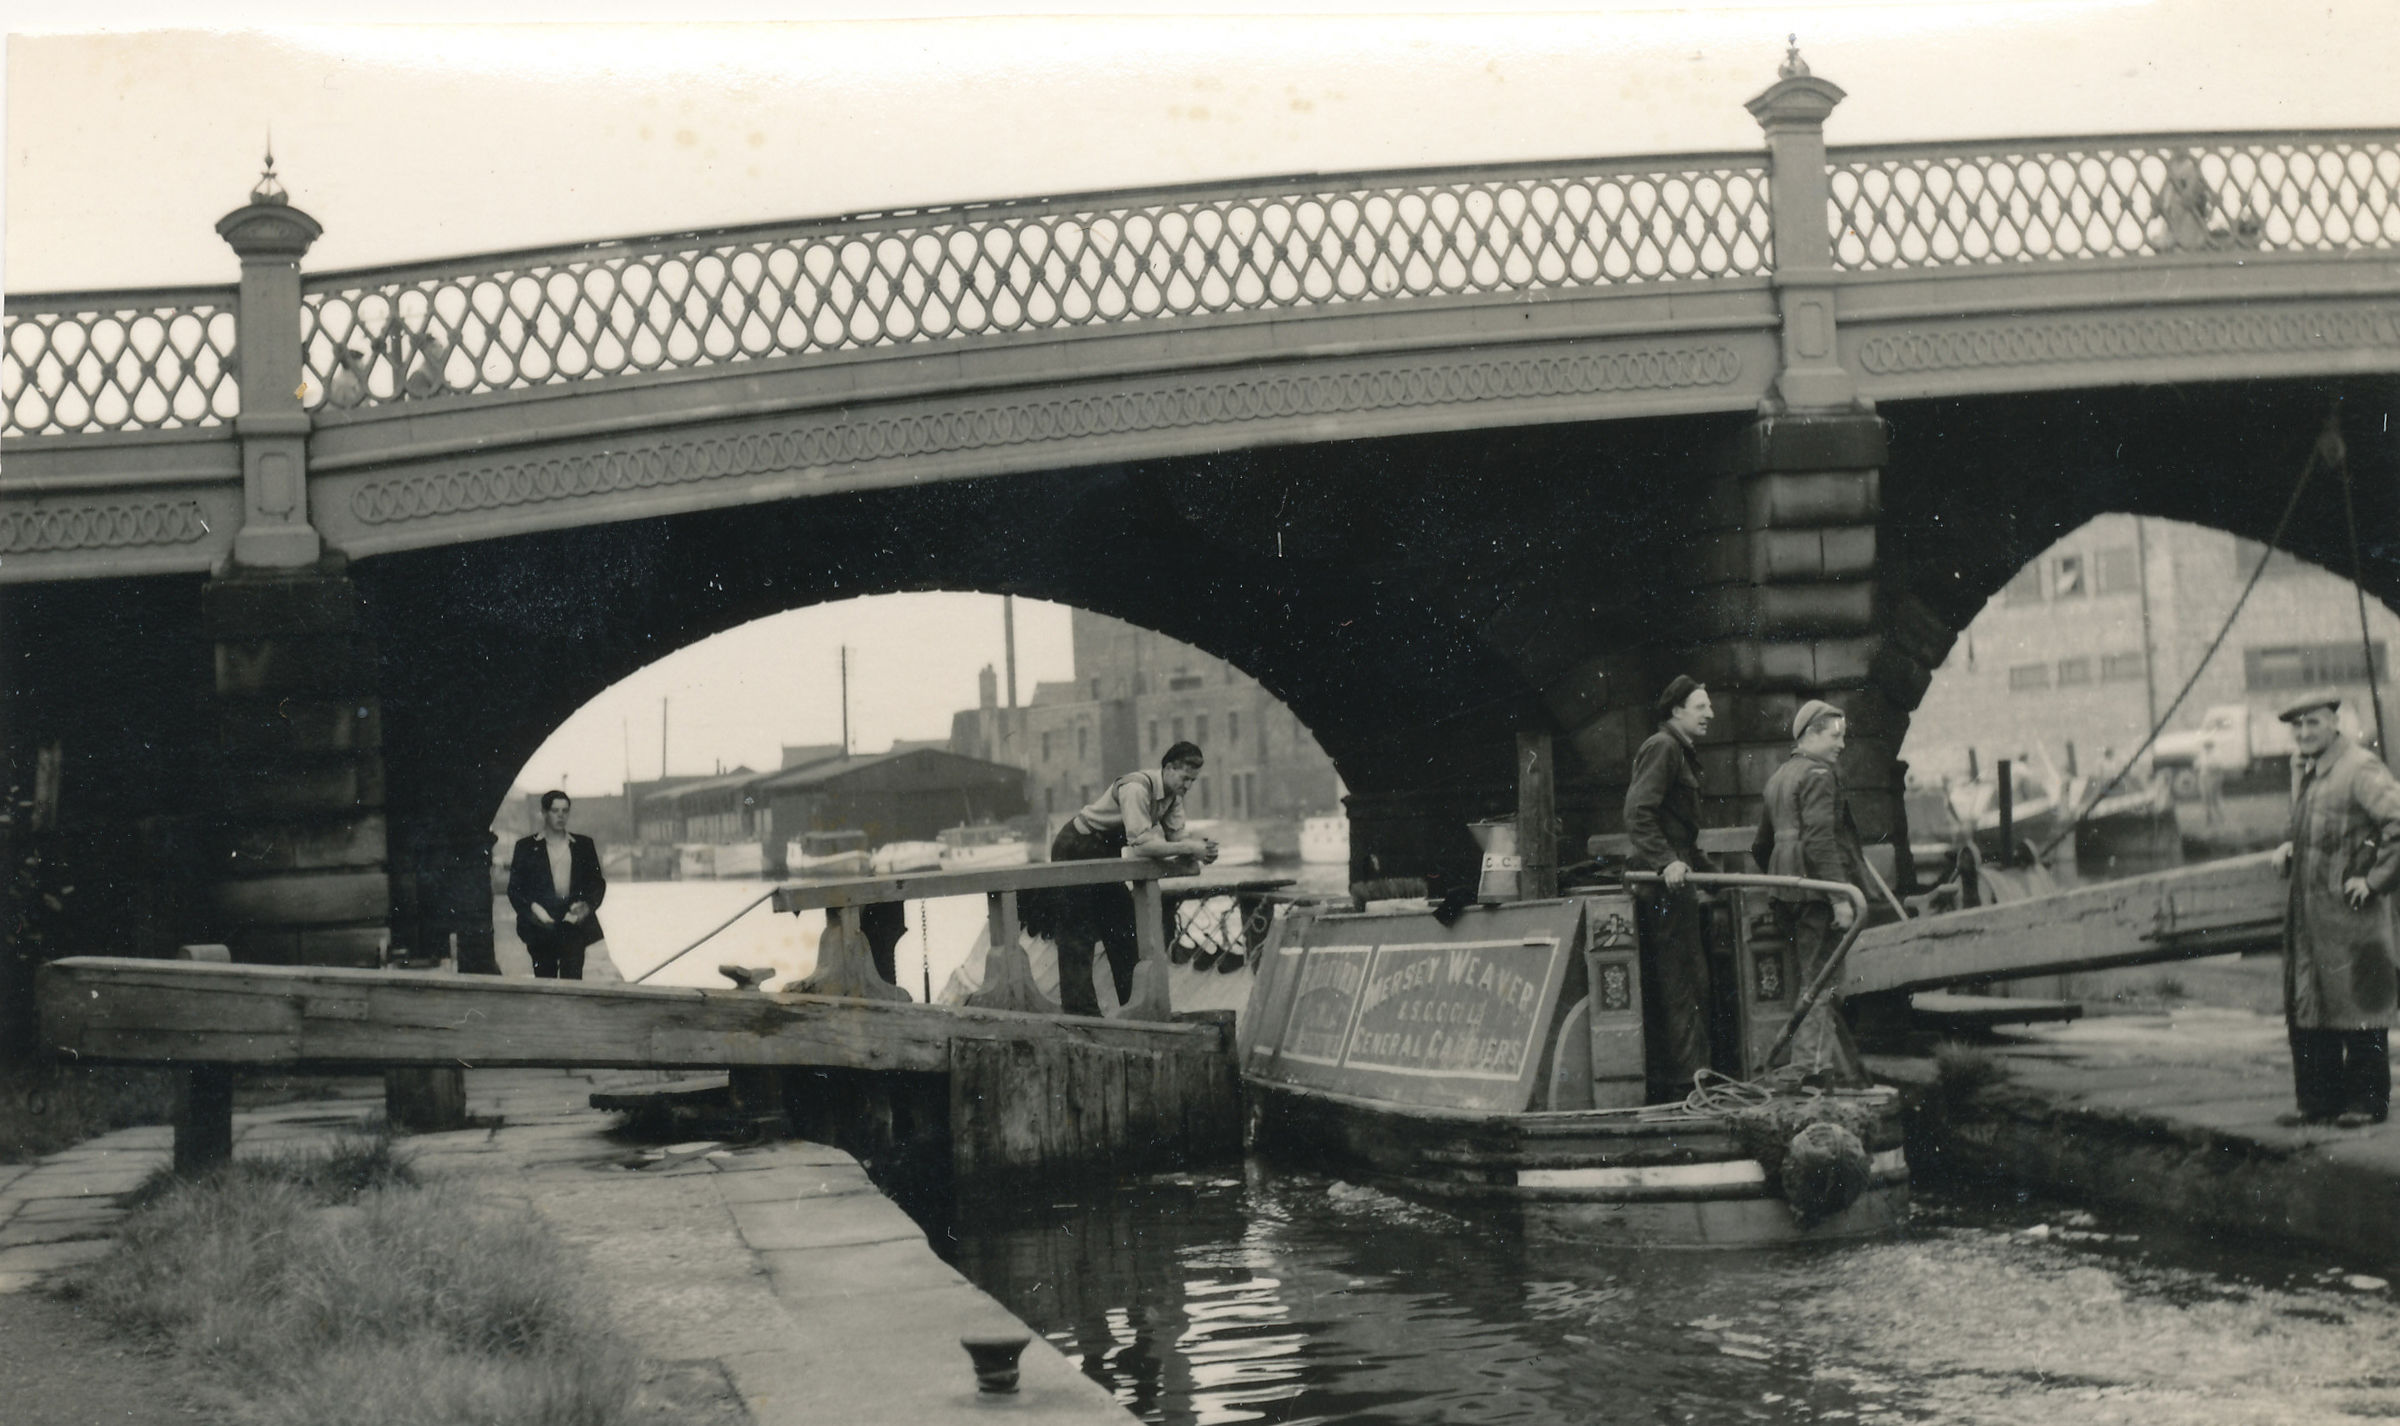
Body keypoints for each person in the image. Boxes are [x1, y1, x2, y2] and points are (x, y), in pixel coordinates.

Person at [2270, 690, 2400, 1128]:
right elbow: (2321, 826)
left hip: (2353, 918)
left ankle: (2366, 1104)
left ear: (2334, 724)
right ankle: (2318, 1103)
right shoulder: (2309, 771)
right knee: (2310, 1005)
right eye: (2298, 726)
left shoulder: (2357, 767)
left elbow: (2397, 821)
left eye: (2314, 724)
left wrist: (2376, 879)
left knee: (2359, 1007)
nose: (2305, 733)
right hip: (2311, 917)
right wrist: (2292, 844)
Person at [1030, 741, 1219, 1016]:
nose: (1188, 786)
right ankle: (1081, 1014)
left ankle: (1133, 1008)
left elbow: (1177, 838)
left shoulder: (1172, 799)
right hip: (1075, 845)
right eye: (1185, 778)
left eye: (1193, 781)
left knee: (1123, 925)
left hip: (1105, 851)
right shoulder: (1136, 788)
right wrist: (1190, 848)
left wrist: (1201, 851)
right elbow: (1141, 845)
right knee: (1077, 929)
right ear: (1168, 768)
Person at [1751, 698, 1871, 1084]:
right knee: (1822, 979)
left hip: (1788, 891)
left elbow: (1760, 847)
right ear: (1811, 734)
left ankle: (1809, 1064)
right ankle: (1811, 1069)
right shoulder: (1819, 775)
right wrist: (1840, 898)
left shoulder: (1780, 776)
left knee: (1805, 978)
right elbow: (1821, 840)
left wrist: (1784, 876)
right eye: (1835, 736)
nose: (1841, 745)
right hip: (1817, 893)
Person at [1624, 675, 1717, 1101]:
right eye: (1701, 707)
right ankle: (1688, 1087)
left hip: (1676, 883)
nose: (1710, 714)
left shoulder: (1679, 751)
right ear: (1677, 711)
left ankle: (1692, 1079)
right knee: (1680, 983)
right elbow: (1639, 813)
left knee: (1690, 981)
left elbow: (1680, 832)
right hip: (1662, 889)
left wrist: (1708, 873)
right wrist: (1667, 863)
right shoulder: (1663, 748)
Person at [507, 790, 607, 980]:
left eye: (565, 810)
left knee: (573, 980)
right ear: (544, 813)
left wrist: (584, 906)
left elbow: (596, 884)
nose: (561, 815)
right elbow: (515, 889)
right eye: (555, 811)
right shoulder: (526, 847)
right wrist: (535, 910)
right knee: (545, 980)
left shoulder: (583, 845)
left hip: (573, 923)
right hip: (540, 924)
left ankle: (571, 1010)